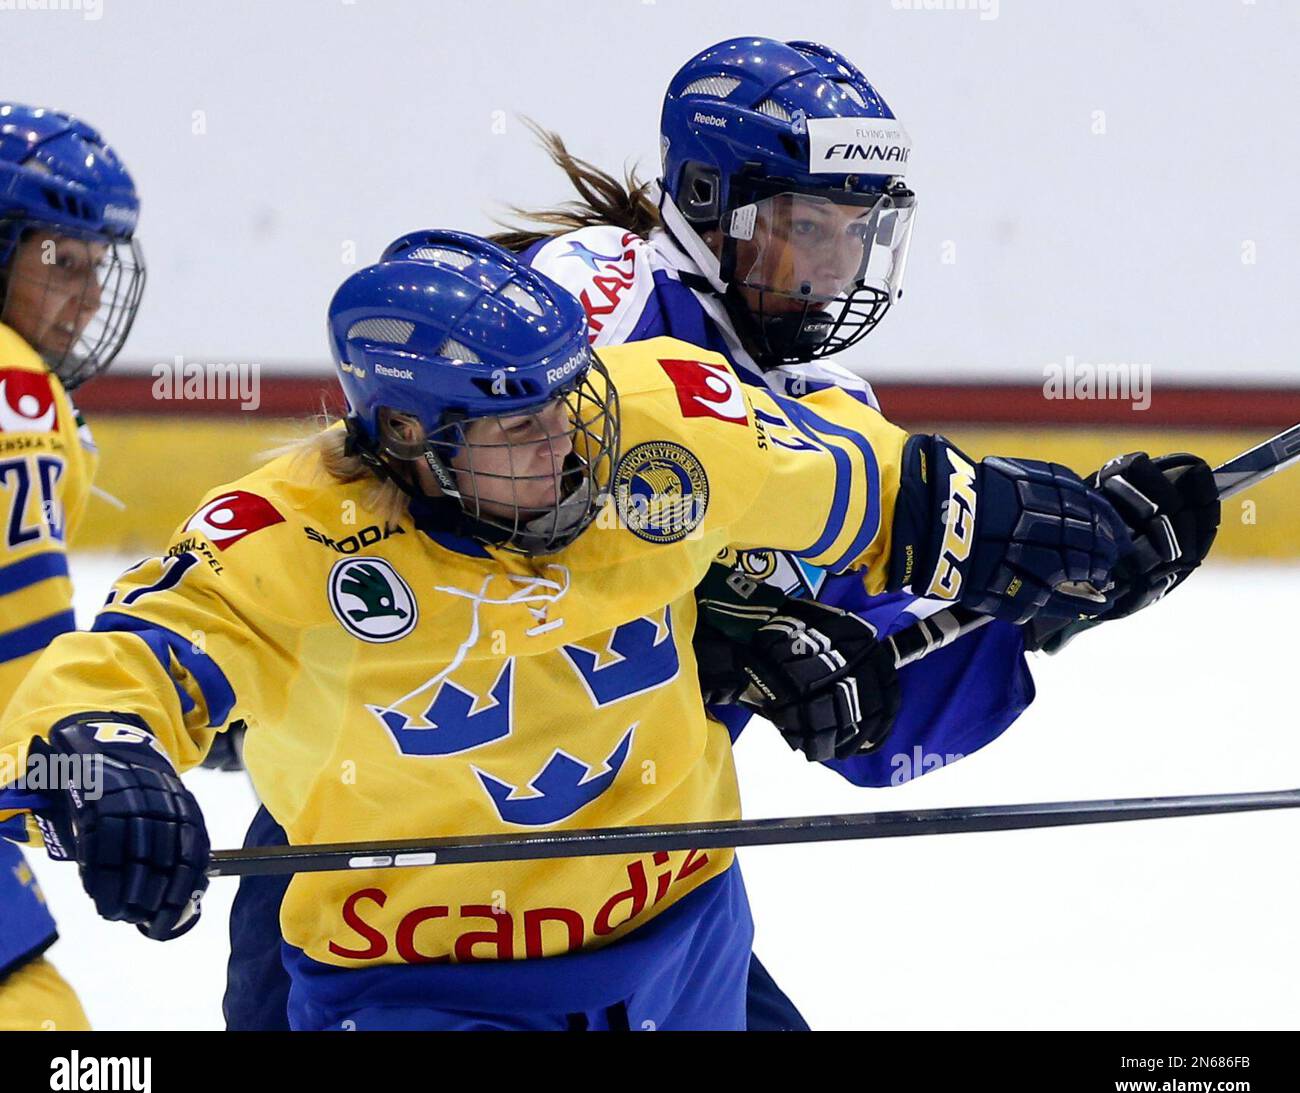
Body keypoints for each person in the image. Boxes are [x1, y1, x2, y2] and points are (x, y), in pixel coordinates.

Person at [1, 230, 1133, 1030]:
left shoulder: (657, 424)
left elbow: (891, 494)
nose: (566, 441)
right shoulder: (288, 541)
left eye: (566, 399)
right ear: (405, 430)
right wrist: (105, 764)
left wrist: (1064, 529)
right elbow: (110, 671)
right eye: (517, 424)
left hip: (686, 947)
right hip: (427, 992)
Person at [494, 36, 1221, 1025]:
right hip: (422, 893)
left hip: (643, 893)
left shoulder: (827, 404)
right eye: (807, 225)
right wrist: (729, 628)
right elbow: (495, 524)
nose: (838, 265)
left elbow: (872, 715)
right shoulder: (600, 292)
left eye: (858, 229)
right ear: (708, 201)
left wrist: (1048, 596)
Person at [0, 101, 146, 1030]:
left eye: (97, 267)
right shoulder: (14, 393)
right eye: (61, 260)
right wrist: (69, 763)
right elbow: (26, 636)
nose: (88, 294)